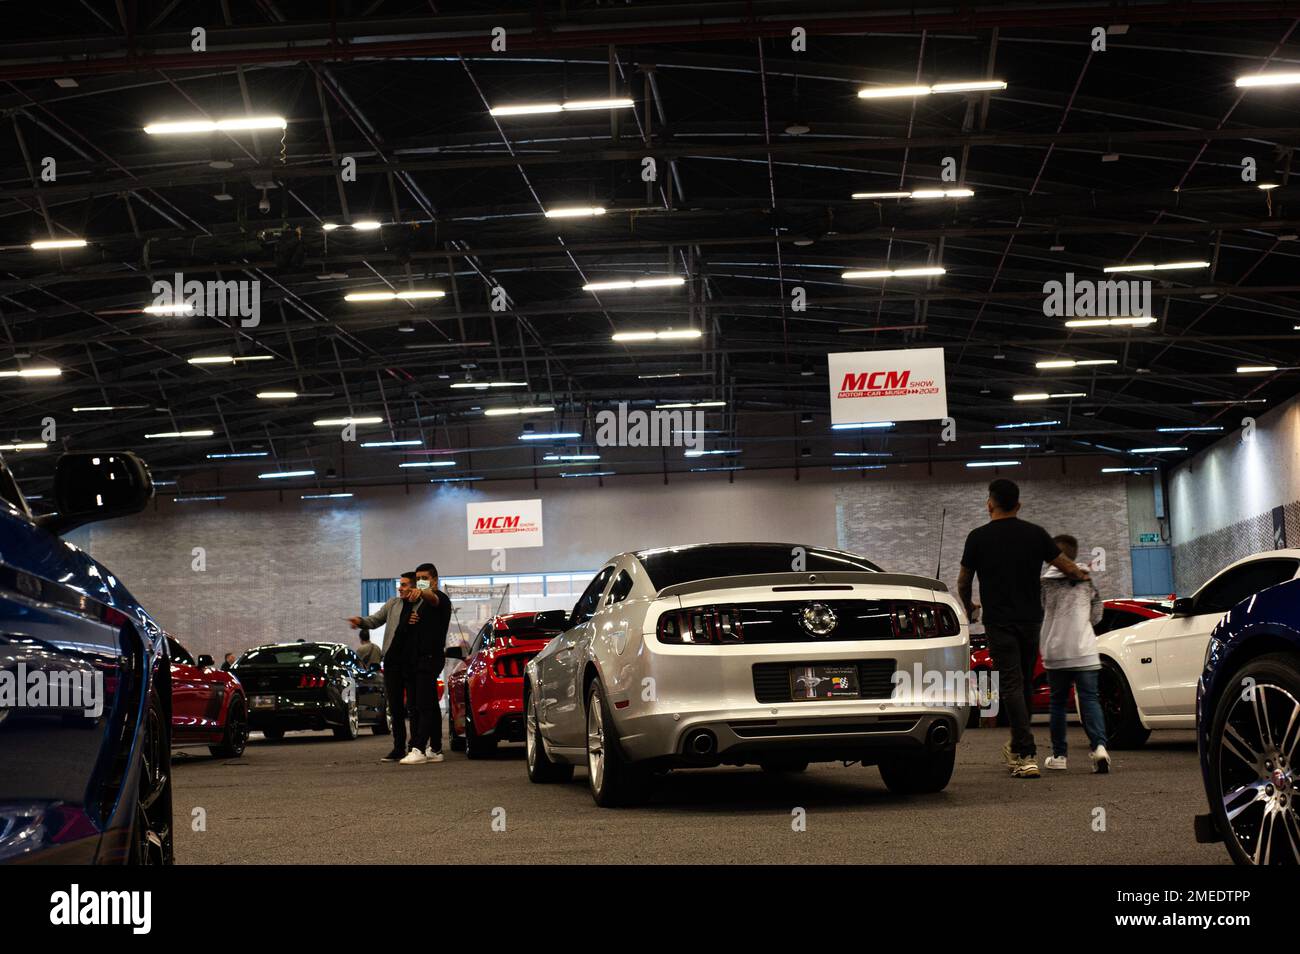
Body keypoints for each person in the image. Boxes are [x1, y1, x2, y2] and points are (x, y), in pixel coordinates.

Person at [957, 478, 1090, 779]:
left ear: (989, 503)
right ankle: (1020, 746)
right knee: (1024, 684)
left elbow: (963, 581)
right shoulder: (1035, 534)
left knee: (1011, 683)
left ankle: (1025, 753)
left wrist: (968, 606)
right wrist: (1084, 578)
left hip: (998, 621)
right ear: (1018, 505)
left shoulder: (977, 537)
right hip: (1031, 621)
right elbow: (1067, 567)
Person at [1040, 534, 1111, 774]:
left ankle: (1059, 756)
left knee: (1058, 704)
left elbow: (1042, 608)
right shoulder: (1087, 581)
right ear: (1074, 553)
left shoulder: (1044, 583)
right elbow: (1097, 615)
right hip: (1085, 650)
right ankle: (1100, 748)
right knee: (1090, 699)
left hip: (1056, 650)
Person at [350, 572, 418, 763]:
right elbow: (375, 620)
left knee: (413, 706)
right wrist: (360, 621)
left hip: (412, 662)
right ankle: (398, 748)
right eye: (400, 584)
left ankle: (416, 746)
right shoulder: (393, 604)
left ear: (413, 586)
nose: (400, 588)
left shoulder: (421, 605)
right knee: (395, 707)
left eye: (404, 585)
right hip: (392, 662)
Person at [404, 562, 452, 763]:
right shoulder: (420, 605)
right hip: (419, 659)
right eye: (419, 579)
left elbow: (431, 597)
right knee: (430, 704)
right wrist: (414, 620)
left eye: (425, 578)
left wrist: (421, 591)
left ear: (434, 579)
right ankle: (436, 748)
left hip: (430, 659)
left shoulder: (439, 598)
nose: (421, 582)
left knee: (424, 705)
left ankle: (419, 749)